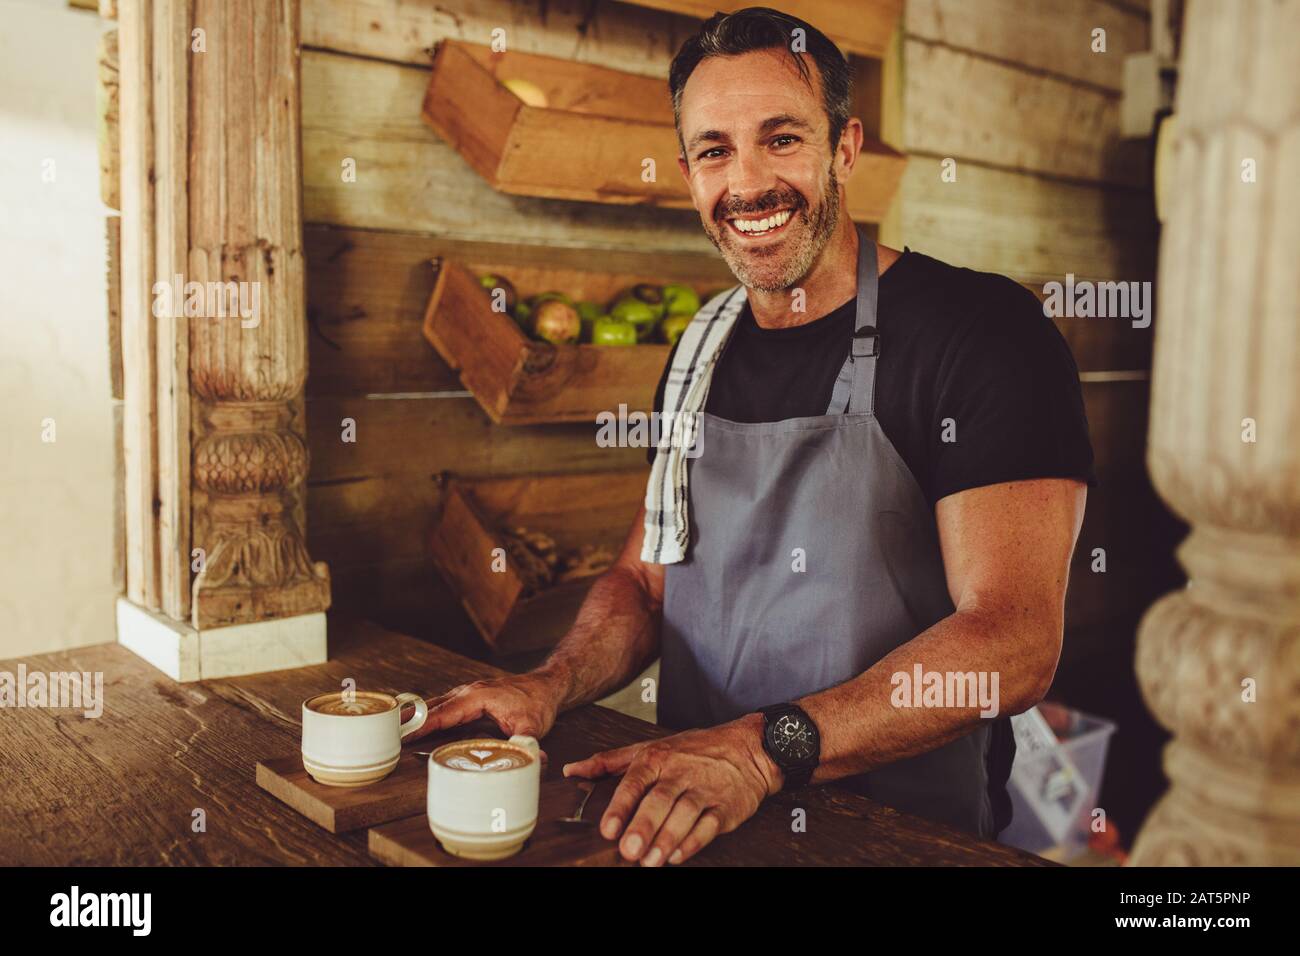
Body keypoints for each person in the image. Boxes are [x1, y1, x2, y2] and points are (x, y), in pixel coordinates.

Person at [410, 6, 1094, 866]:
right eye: (714, 150)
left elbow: (1014, 641)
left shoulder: (983, 334)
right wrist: (550, 685)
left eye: (781, 139)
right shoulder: (699, 347)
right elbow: (647, 584)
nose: (748, 185)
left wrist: (758, 752)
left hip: (900, 839)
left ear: (844, 148)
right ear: (690, 173)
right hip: (687, 826)